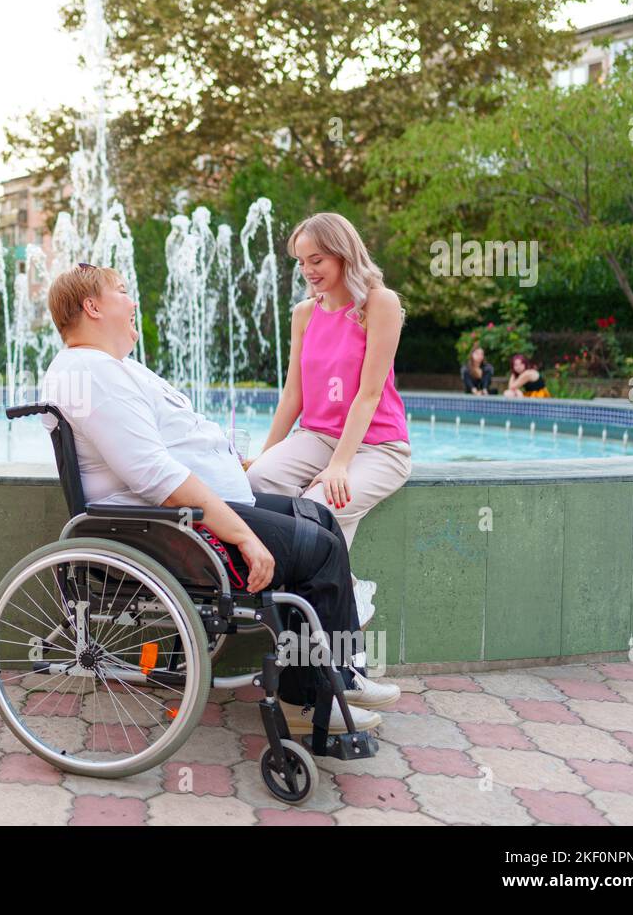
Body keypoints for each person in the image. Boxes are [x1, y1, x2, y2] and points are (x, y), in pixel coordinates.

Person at [38, 262, 399, 734]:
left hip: (186, 519)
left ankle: (340, 675)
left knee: (320, 520)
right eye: (123, 292)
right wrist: (242, 533)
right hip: (176, 530)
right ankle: (309, 699)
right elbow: (152, 475)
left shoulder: (104, 368)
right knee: (319, 548)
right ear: (92, 306)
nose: (133, 303)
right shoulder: (90, 372)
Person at [243, 213, 411, 631]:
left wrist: (339, 464)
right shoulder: (304, 313)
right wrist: (265, 453)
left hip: (378, 446)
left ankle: (332, 612)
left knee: (319, 508)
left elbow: (369, 393)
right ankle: (348, 590)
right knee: (259, 480)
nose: (308, 271)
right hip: (316, 436)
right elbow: (293, 395)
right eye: (301, 262)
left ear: (342, 253)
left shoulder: (380, 303)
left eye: (316, 260)